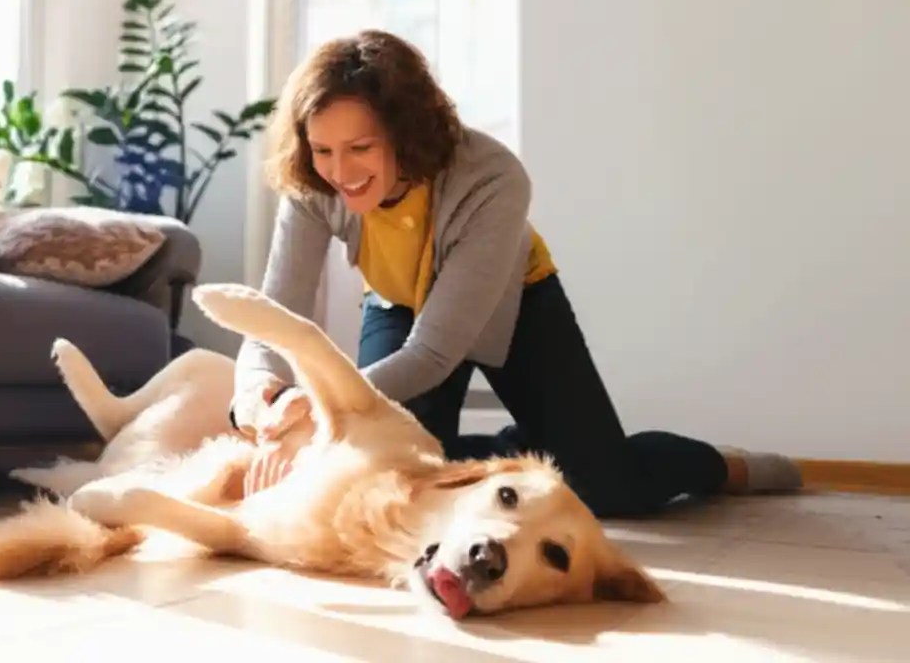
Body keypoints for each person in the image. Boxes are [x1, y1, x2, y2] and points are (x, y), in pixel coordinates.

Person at [230, 29, 801, 518]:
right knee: (407, 470)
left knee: (607, 488)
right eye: (323, 150)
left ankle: (724, 468)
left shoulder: (493, 177)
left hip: (517, 303)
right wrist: (263, 398)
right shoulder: (313, 181)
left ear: (404, 133)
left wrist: (322, 404)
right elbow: (271, 321)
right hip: (401, 302)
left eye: (359, 147)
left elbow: (432, 355)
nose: (339, 171)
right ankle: (526, 443)